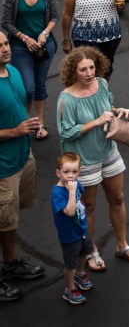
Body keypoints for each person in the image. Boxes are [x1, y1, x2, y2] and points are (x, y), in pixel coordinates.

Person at [55, 46, 129, 273]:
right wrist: (95, 121)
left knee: (118, 198)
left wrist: (120, 110)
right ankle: (92, 251)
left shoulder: (102, 84)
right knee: (89, 207)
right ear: (73, 71)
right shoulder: (66, 99)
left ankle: (122, 245)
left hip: (108, 151)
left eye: (92, 67)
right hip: (85, 160)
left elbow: (108, 109)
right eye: (83, 69)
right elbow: (66, 132)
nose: (89, 73)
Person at [0, 31, 44, 302]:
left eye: (5, 43)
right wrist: (16, 130)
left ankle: (10, 263)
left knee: (9, 219)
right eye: (0, 46)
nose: (5, 49)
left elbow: (18, 107)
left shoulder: (13, 71)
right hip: (2, 168)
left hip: (22, 158)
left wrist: (27, 126)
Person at [2, 0, 60, 141]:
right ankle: (25, 122)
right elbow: (6, 22)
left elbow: (55, 17)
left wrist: (44, 34)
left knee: (40, 85)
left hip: (44, 46)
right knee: (27, 88)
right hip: (20, 47)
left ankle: (40, 124)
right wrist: (24, 38)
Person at [60, 0, 123, 76]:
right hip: (84, 37)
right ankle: (89, 94)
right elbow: (67, 14)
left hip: (111, 35)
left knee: (106, 68)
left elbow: (119, 8)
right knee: (88, 71)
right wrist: (66, 39)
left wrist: (120, 4)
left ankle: (102, 94)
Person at [50, 151, 93, 305]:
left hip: (81, 228)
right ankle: (69, 289)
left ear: (79, 172)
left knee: (85, 251)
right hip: (69, 234)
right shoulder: (57, 193)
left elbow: (79, 198)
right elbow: (69, 212)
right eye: (66, 172)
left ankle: (80, 273)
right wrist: (72, 191)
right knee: (70, 263)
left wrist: (82, 209)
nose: (70, 175)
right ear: (58, 172)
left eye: (74, 172)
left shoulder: (76, 184)